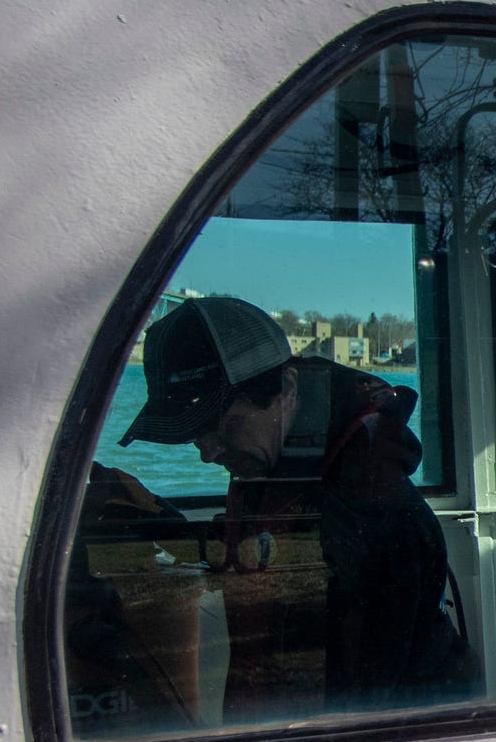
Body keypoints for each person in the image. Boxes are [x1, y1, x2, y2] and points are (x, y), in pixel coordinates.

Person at [120, 295, 474, 719]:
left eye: (217, 425)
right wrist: (158, 522)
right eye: (195, 436)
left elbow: (360, 706)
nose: (208, 453)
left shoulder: (371, 510)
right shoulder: (284, 466)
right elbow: (259, 546)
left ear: (287, 388)